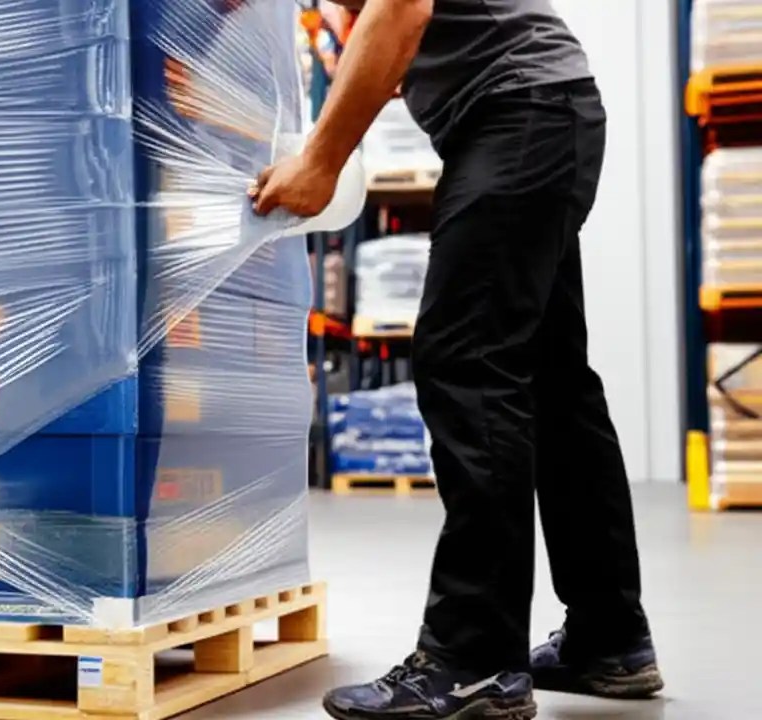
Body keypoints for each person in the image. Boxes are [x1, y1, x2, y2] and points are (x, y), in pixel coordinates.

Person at [250, 0, 664, 718]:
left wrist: (320, 160)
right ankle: (609, 638)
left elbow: (403, 8)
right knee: (551, 382)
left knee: (466, 366)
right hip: (541, 109)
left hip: (518, 114)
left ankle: (473, 661)